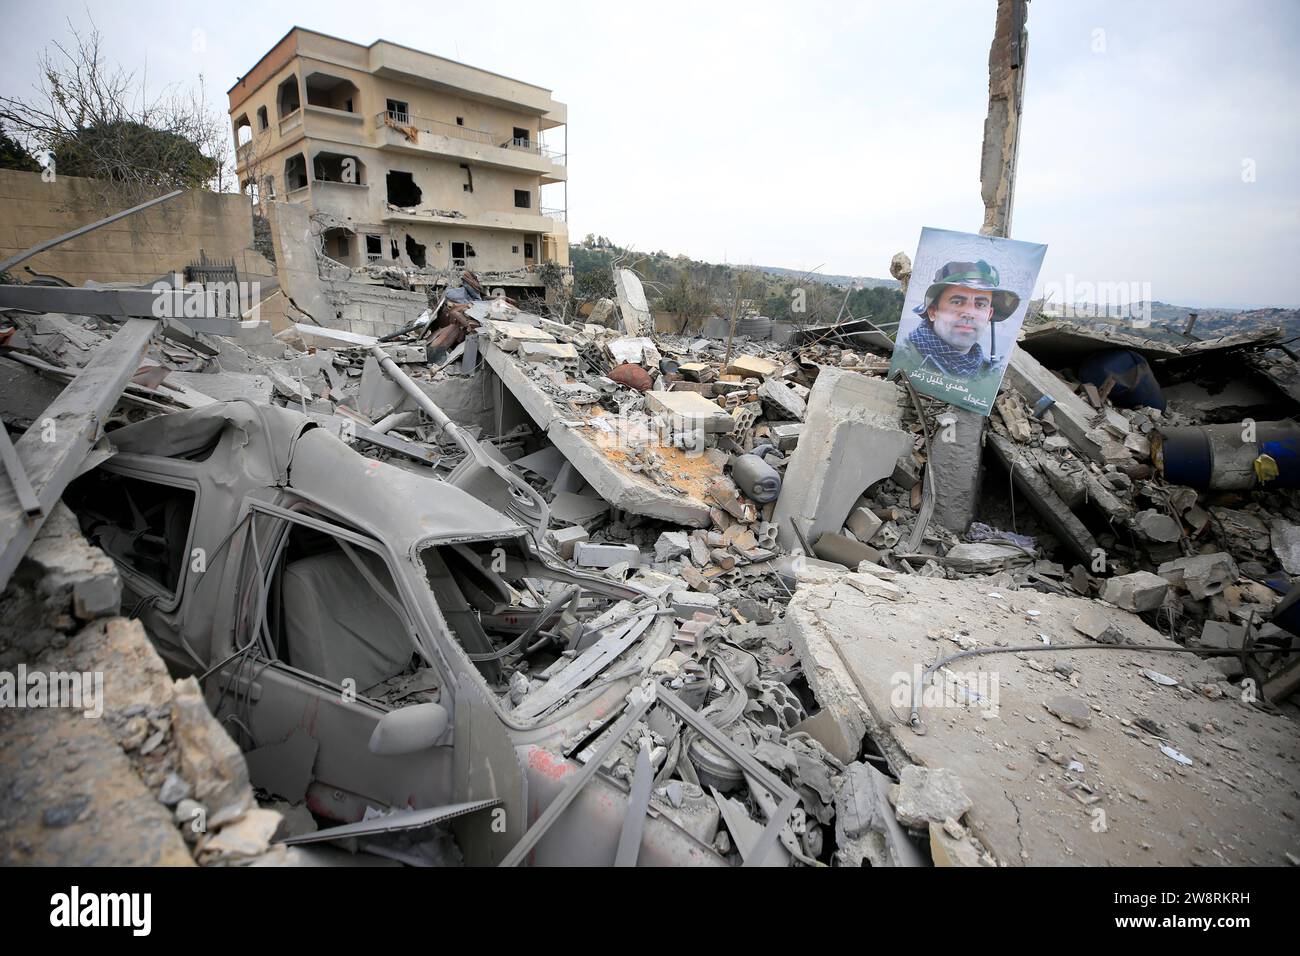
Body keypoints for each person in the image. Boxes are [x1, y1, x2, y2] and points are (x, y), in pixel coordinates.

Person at [893, 259, 1020, 380]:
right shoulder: (904, 355)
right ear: (932, 312)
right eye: (957, 302)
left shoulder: (989, 375)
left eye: (980, 305)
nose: (969, 313)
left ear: (989, 315)